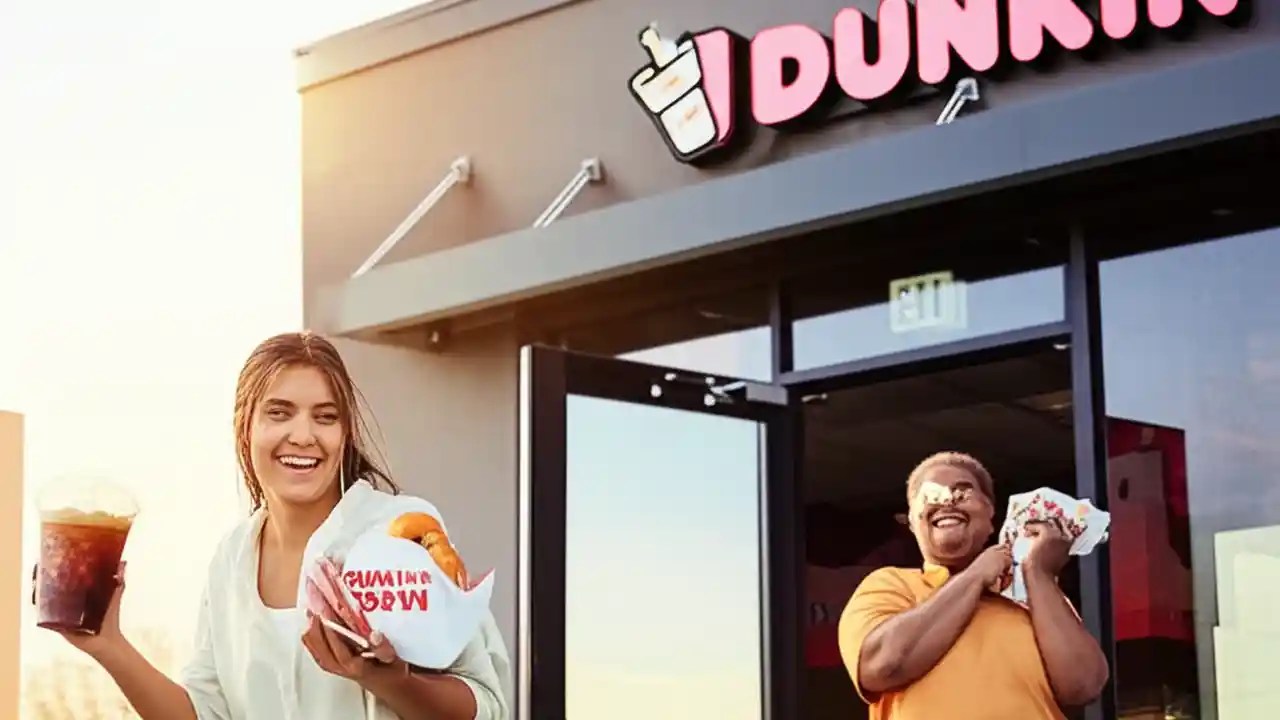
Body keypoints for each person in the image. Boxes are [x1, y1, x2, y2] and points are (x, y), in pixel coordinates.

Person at [46, 331, 511, 720]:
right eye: (279, 412)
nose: (304, 435)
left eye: (325, 417)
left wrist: (392, 683)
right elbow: (206, 714)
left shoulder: (399, 534)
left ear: (344, 434)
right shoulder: (231, 559)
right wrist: (110, 646)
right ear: (244, 426)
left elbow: (488, 705)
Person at [838, 451, 1108, 719]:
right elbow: (881, 666)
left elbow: (1084, 686)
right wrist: (977, 574)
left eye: (963, 492)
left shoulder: (1035, 599)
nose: (947, 501)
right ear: (911, 522)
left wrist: (1039, 574)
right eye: (931, 495)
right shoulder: (889, 584)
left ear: (991, 517)